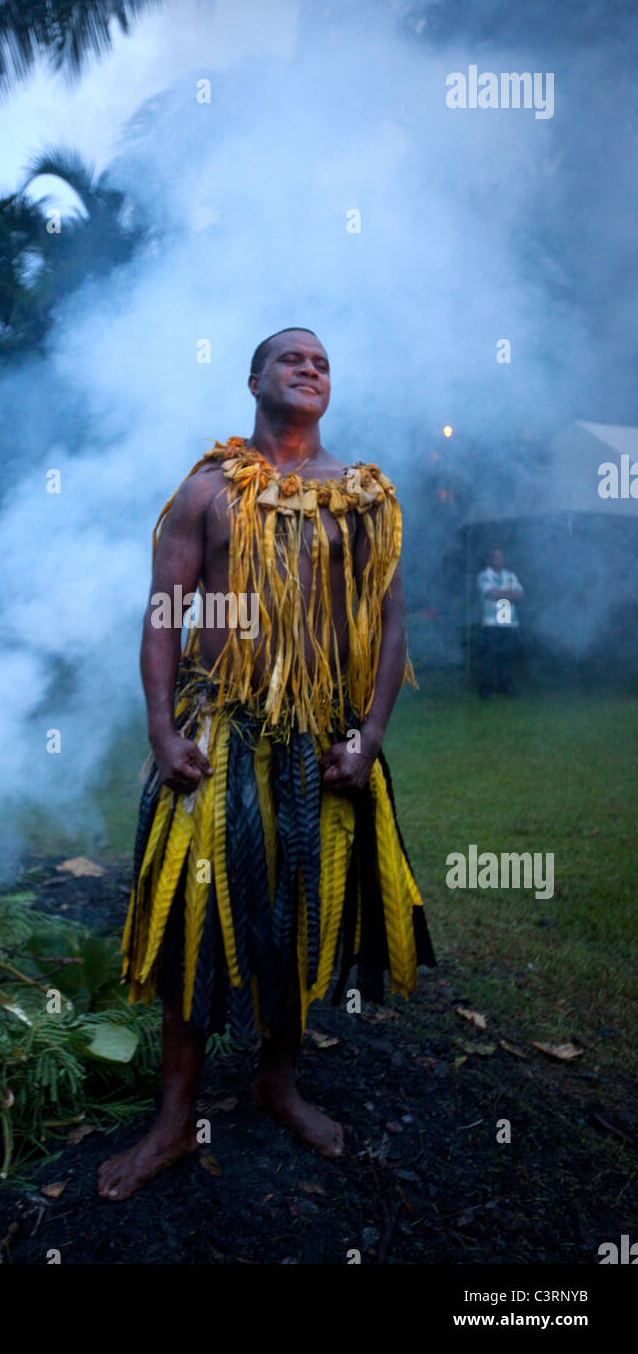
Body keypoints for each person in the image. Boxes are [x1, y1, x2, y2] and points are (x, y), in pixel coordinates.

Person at [97, 328, 435, 1202]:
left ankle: (276, 1084)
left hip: (321, 738)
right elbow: (163, 611)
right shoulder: (208, 489)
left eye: (324, 361)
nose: (311, 367)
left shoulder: (362, 498)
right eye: (293, 357)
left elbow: (394, 627)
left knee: (301, 911)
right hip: (222, 736)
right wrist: (162, 730)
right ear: (255, 379)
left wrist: (369, 735)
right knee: (193, 921)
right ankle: (174, 1119)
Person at [476, 548, 524, 697]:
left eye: (501, 557)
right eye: (495, 557)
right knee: (489, 657)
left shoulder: (511, 575)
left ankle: (506, 686)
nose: (499, 560)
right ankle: (486, 688)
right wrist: (509, 595)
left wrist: (501, 594)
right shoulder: (484, 576)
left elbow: (520, 594)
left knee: (507, 656)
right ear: (490, 560)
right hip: (492, 622)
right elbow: (490, 593)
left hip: (509, 622)